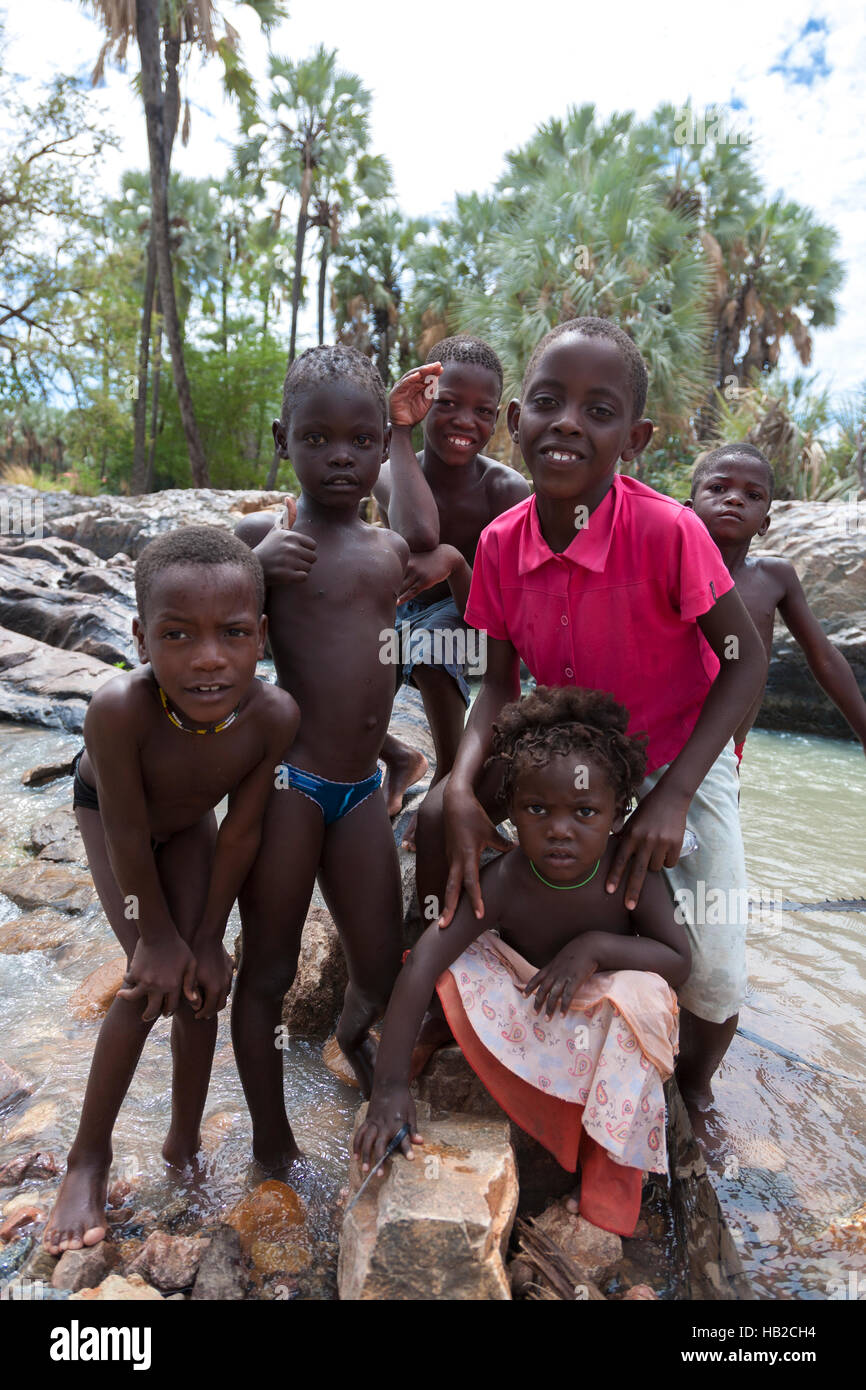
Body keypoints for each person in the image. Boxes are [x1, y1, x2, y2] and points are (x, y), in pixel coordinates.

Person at [415, 316, 767, 1126]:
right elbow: (499, 683)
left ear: (634, 438)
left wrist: (674, 794)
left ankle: (697, 1090)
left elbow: (744, 661)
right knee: (440, 813)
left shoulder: (669, 530)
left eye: (599, 411)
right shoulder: (503, 542)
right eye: (548, 402)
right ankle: (441, 975)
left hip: (681, 748)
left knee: (709, 962)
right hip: (566, 744)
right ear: (517, 422)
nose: (569, 422)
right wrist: (463, 780)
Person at [43, 527, 299, 1254]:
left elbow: (241, 833)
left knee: (201, 986)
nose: (209, 657)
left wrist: (211, 938)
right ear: (142, 638)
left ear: (263, 636)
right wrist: (155, 936)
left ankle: (182, 1147)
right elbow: (126, 837)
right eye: (178, 635)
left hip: (189, 827)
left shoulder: (272, 717)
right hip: (116, 821)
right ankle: (86, 1161)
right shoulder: (118, 709)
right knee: (150, 983)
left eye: (233, 633)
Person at [354, 687, 690, 1237]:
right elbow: (424, 963)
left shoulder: (628, 873)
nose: (560, 829)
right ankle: (433, 1039)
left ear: (617, 814)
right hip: (533, 1001)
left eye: (585, 812)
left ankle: (610, 1173)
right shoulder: (510, 877)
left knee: (648, 999)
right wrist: (389, 1090)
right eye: (538, 810)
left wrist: (594, 948)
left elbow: (679, 961)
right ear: (511, 812)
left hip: (594, 1007)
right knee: (444, 959)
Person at [233, 345, 409, 1171]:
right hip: (291, 786)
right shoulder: (265, 540)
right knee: (266, 972)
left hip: (362, 789)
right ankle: (272, 1141)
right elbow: (166, 597)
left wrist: (410, 439)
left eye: (361, 440)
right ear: (283, 439)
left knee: (379, 964)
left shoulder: (387, 551)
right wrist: (251, 575)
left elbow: (433, 557)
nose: (340, 457)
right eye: (316, 439)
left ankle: (352, 1042)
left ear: (380, 447)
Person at [372, 336, 530, 847]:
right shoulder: (388, 473)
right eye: (447, 404)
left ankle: (446, 780)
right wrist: (398, 430)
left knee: (433, 647)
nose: (466, 421)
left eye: (482, 411)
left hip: (474, 621)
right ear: (422, 399)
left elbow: (488, 618)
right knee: (331, 658)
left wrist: (456, 562)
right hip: (399, 612)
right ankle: (398, 757)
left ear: (501, 417)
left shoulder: (506, 492)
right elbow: (417, 535)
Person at [688, 442, 866, 766]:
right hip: (656, 733)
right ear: (687, 509)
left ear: (764, 524)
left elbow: (823, 655)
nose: (734, 498)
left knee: (720, 817)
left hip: (726, 751)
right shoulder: (666, 569)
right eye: (718, 488)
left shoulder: (774, 577)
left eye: (753, 496)